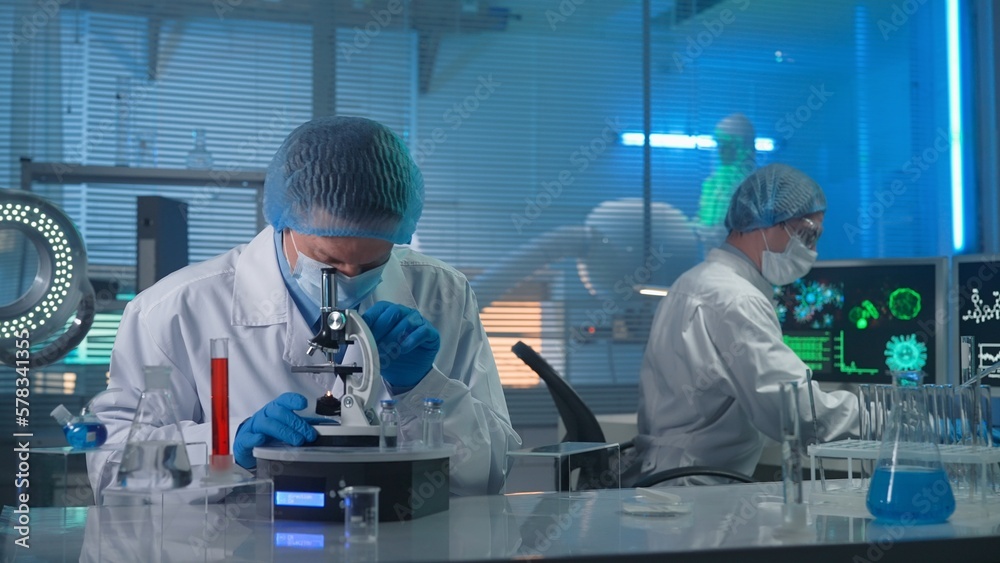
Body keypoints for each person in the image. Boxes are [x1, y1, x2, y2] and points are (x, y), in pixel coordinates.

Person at [87, 116, 521, 498]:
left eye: (372, 263)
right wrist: (224, 447)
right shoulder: (174, 310)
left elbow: (490, 474)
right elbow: (109, 467)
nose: (349, 276)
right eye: (328, 261)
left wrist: (422, 389)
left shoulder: (443, 294)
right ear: (285, 220)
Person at [633, 163, 858, 483]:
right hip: (695, 489)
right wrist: (889, 418)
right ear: (766, 220)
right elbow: (796, 413)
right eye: (807, 234)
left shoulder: (692, 282)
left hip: (670, 477)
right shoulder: (736, 299)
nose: (812, 251)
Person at [694, 113, 757, 252]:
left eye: (727, 144)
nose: (720, 150)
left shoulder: (754, 189)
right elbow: (700, 225)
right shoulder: (710, 185)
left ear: (743, 147)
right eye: (719, 143)